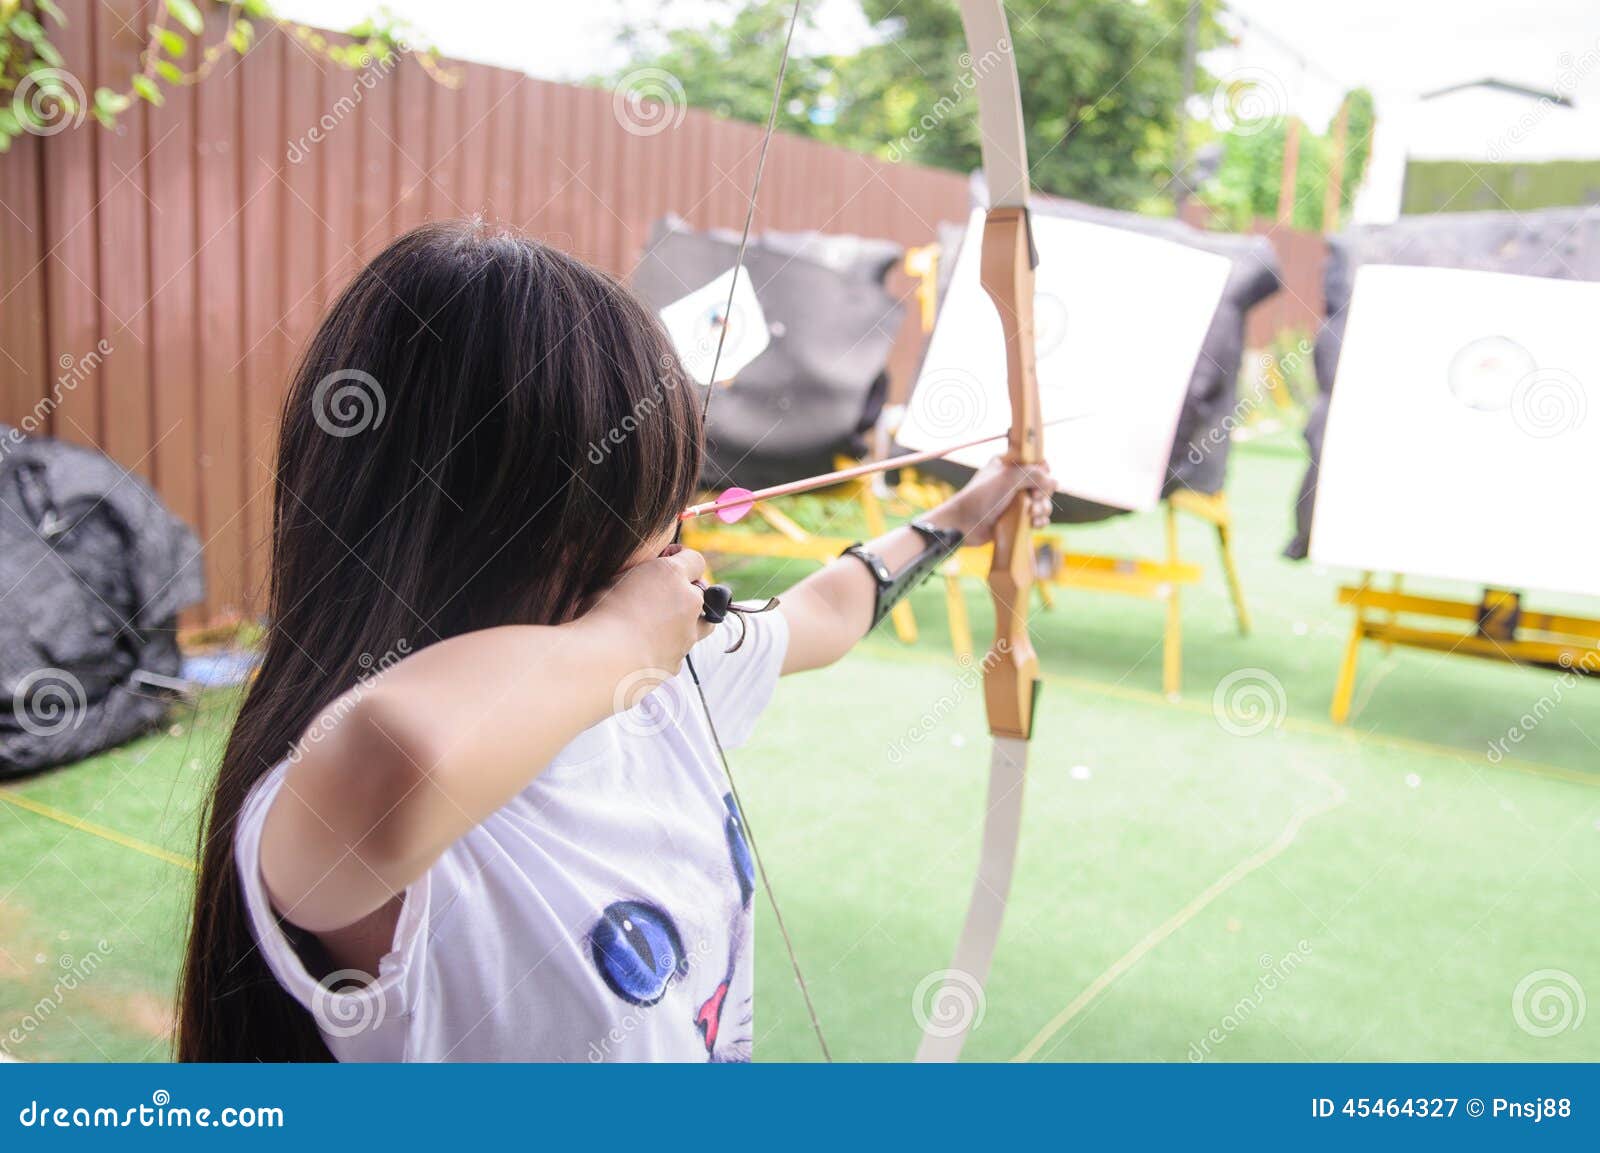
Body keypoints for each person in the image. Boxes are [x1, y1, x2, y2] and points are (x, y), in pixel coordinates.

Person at [177, 220, 1053, 1062]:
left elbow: (821, 616)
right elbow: (399, 748)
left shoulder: (649, 672)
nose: (678, 528)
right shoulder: (325, 802)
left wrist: (957, 519)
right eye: (651, 498)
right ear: (549, 527)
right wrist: (629, 636)